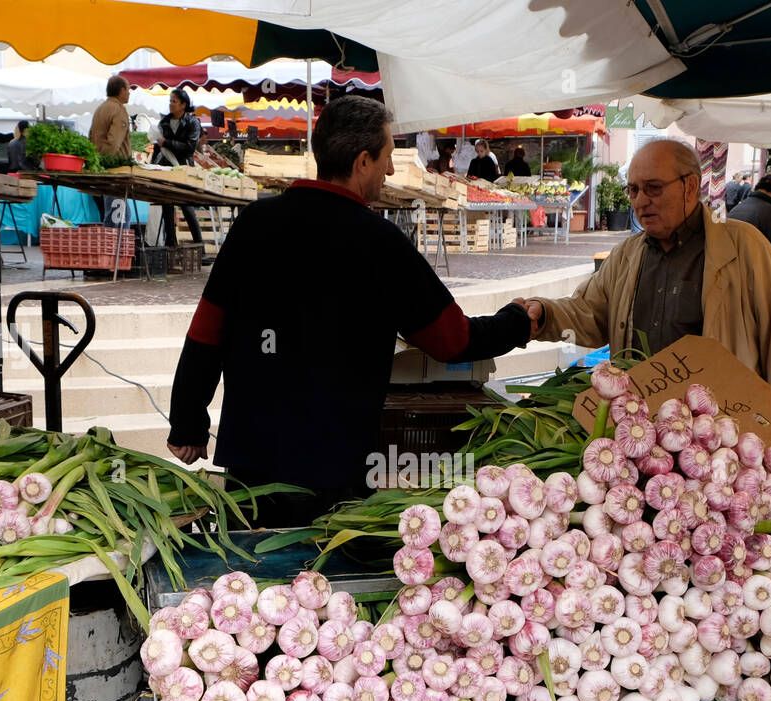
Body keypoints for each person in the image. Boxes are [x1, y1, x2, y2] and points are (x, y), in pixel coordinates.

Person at [166, 96, 533, 525]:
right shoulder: (380, 243)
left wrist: (188, 422)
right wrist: (520, 321)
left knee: (249, 580)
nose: (390, 170)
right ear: (362, 162)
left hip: (252, 468)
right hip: (333, 470)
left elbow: (207, 330)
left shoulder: (255, 223)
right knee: (323, 584)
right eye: (387, 158)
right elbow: (452, 340)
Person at [516, 139, 771, 419]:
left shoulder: (744, 247)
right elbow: (589, 312)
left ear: (691, 186)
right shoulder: (626, 255)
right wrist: (545, 314)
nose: (640, 201)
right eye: (633, 190)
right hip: (641, 432)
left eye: (653, 188)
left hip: (722, 436)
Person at [152, 88, 204, 246]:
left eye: (174, 101)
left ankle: (199, 246)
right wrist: (153, 165)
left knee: (187, 206)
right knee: (167, 206)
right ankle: (171, 245)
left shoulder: (192, 122)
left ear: (183, 105)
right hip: (166, 169)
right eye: (170, 101)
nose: (171, 104)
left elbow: (189, 147)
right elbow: (157, 147)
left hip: (184, 168)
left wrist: (167, 143)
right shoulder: (164, 122)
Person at [90, 75, 132, 159]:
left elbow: (91, 136)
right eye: (128, 89)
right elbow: (114, 142)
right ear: (122, 90)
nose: (129, 93)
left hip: (97, 160)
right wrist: (107, 161)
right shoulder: (119, 110)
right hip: (115, 165)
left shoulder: (101, 108)